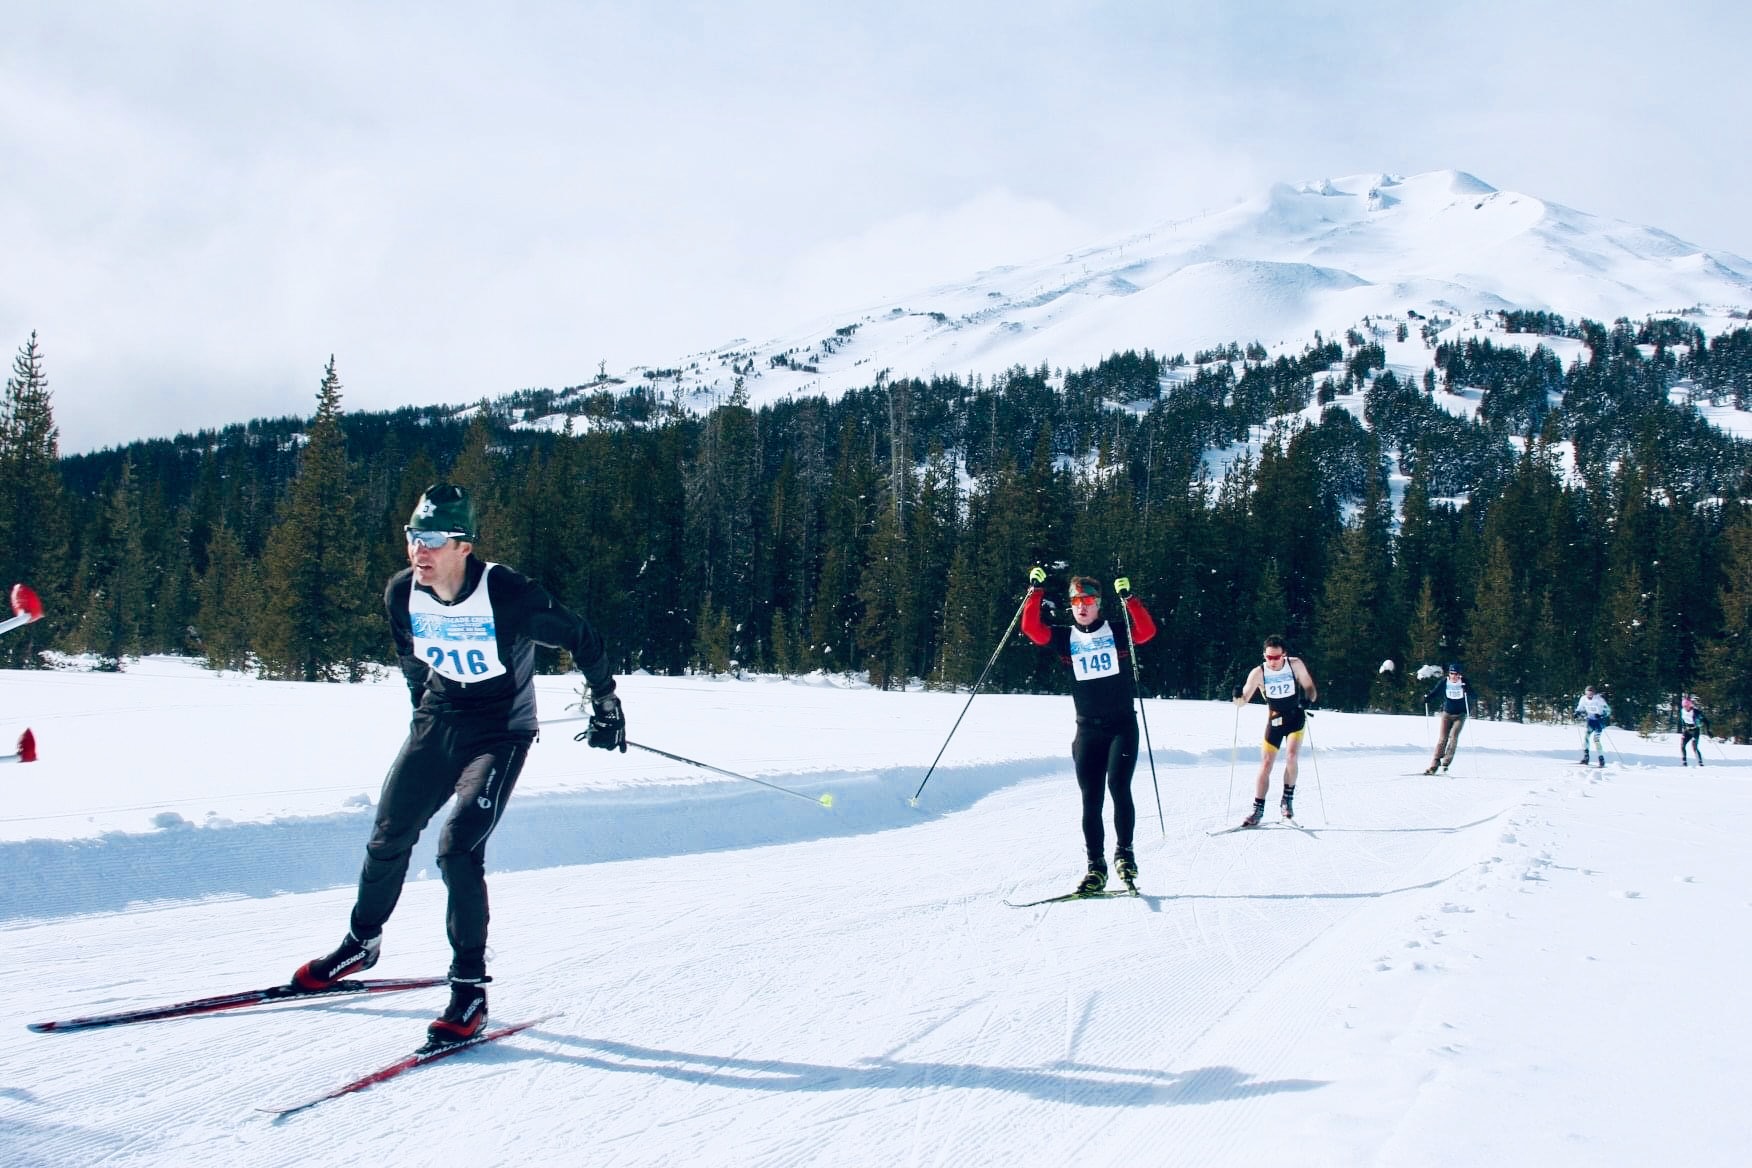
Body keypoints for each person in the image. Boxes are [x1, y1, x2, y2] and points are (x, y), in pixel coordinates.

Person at [290, 485, 626, 1045]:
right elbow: (409, 655)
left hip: (500, 733)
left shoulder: (509, 593)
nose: (418, 551)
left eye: (432, 540)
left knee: (457, 847)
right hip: (439, 719)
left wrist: (606, 702)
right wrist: (420, 707)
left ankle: (469, 990)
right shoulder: (403, 593)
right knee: (388, 836)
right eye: (412, 537)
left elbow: (581, 636)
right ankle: (360, 944)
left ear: (463, 546)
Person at [1021, 568, 1157, 894]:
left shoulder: (1117, 630)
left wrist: (1130, 599)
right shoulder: (1066, 637)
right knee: (1090, 799)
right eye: (1076, 601)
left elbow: (1147, 632)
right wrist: (1034, 591)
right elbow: (1031, 629)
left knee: (1118, 786)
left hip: (1121, 727)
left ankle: (1125, 854)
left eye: (1088, 601)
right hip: (1087, 732)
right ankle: (1096, 868)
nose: (1081, 607)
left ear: (1098, 604)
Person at [1233, 637, 1319, 825]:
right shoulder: (1258, 673)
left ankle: (1287, 800)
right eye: (1269, 657)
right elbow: (1242, 702)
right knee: (1265, 764)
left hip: (1295, 718)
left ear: (1284, 654)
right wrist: (1237, 696)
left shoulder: (1294, 665)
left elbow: (1310, 688)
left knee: (1291, 757)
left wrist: (1308, 699)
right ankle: (1257, 809)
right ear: (1264, 655)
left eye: (1276, 657)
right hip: (1275, 720)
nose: (1272, 661)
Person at [1422, 663, 1471, 774]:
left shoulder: (1464, 682)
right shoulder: (1445, 682)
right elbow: (1436, 692)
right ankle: (1434, 765)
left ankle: (1446, 763)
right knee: (1442, 739)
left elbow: (1474, 695)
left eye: (1456, 674)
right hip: (1447, 714)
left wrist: (1468, 692)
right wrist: (1428, 698)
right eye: (1452, 673)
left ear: (1460, 675)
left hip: (1460, 715)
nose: (1454, 676)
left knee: (1453, 737)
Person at [1574, 685, 1611, 767]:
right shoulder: (1583, 699)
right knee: (1586, 738)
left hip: (1599, 722)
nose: (1589, 695)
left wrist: (1601, 715)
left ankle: (1601, 760)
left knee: (1596, 740)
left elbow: (1608, 710)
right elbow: (1580, 707)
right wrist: (1577, 712)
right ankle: (1586, 757)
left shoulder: (1599, 699)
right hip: (1590, 721)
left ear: (1594, 693)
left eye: (1591, 693)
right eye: (1588, 693)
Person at [1678, 693, 1711, 767]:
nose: (1685, 708)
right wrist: (1683, 731)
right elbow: (1682, 720)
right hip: (1687, 731)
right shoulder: (1682, 711)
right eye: (1684, 706)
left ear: (1690, 705)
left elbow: (1706, 721)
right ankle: (1684, 762)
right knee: (1682, 746)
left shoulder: (1696, 712)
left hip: (1695, 731)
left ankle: (1700, 762)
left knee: (1694, 747)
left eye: (1687, 706)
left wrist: (1708, 730)